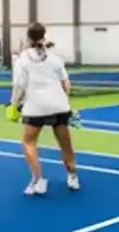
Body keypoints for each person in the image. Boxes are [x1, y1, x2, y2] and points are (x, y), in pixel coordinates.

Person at [12, 23, 80, 195]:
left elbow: (19, 86)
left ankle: (38, 180)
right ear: (45, 36)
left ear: (27, 38)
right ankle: (72, 177)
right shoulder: (55, 59)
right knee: (66, 145)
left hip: (35, 107)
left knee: (29, 142)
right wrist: (65, 103)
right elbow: (66, 84)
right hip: (59, 106)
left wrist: (13, 104)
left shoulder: (22, 60)